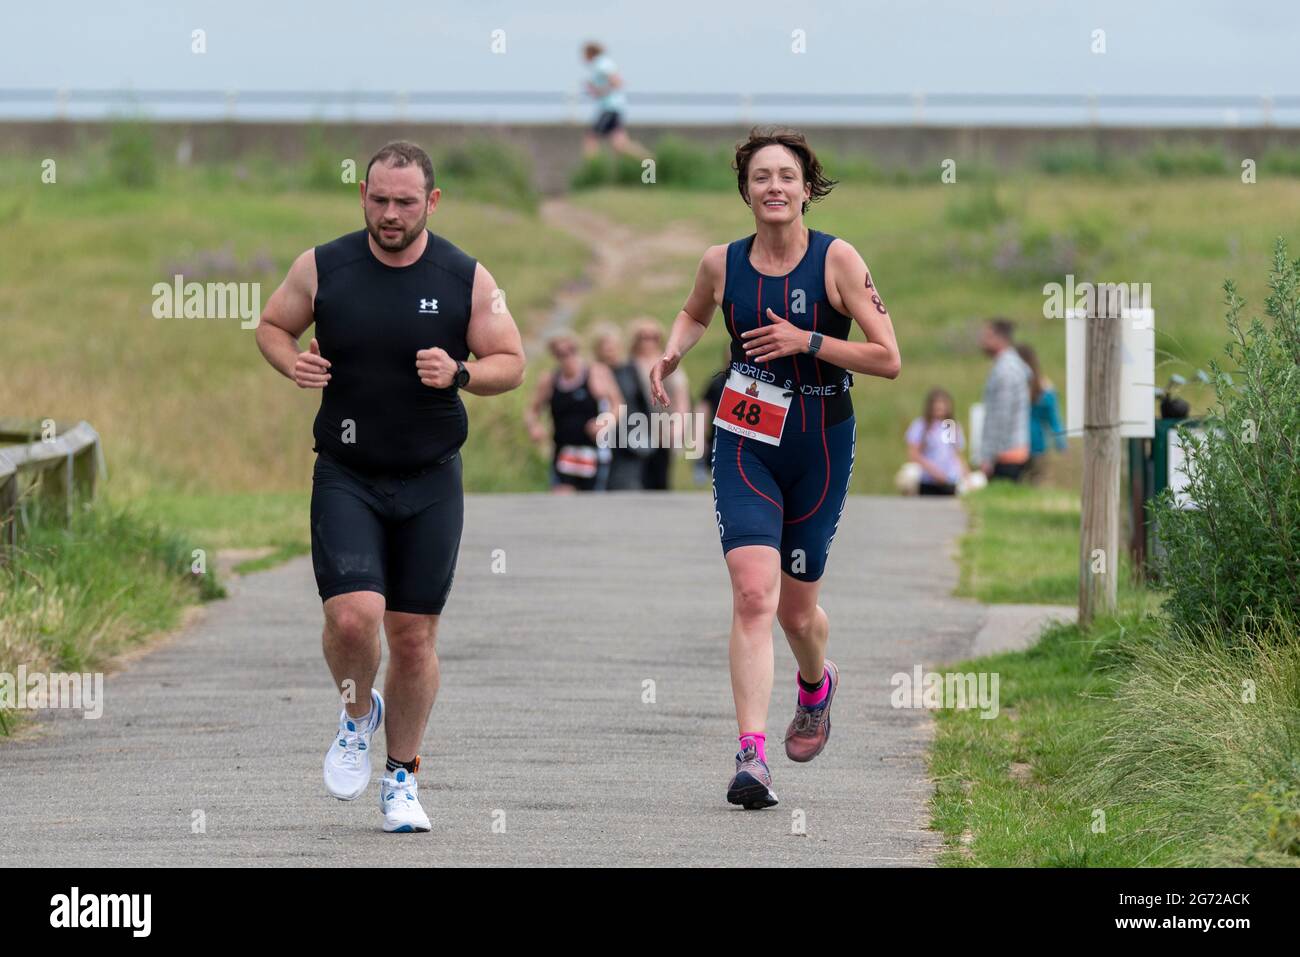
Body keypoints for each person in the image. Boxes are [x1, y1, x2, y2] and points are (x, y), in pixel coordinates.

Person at [255, 141, 527, 832]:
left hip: (432, 477)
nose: (390, 213)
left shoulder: (466, 275)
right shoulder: (324, 266)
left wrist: (461, 373)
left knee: (411, 637)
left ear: (431, 202)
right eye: (379, 199)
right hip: (347, 472)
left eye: (406, 201)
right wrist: (294, 364)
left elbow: (513, 360)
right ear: (363, 196)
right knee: (352, 617)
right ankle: (356, 714)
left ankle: (402, 776)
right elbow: (271, 325)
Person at [649, 127, 901, 809]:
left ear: (806, 188)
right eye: (761, 177)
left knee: (798, 610)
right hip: (746, 437)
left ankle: (816, 685)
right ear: (746, 191)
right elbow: (694, 312)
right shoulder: (720, 262)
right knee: (754, 593)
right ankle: (751, 756)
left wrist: (807, 340)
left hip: (820, 442)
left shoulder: (837, 260)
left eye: (786, 176)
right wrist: (673, 351)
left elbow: (888, 357)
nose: (774, 188)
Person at [525, 331, 621, 493]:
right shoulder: (549, 380)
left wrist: (604, 422)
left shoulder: (596, 373)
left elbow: (618, 405)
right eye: (561, 353)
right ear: (555, 355)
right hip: (564, 452)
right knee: (562, 500)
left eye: (571, 350)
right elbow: (532, 411)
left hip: (592, 451)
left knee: (591, 505)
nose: (567, 356)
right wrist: (534, 427)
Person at [630, 318, 688, 490]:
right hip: (635, 426)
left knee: (660, 477)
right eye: (643, 337)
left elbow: (681, 397)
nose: (648, 342)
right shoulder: (629, 364)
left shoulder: (667, 363)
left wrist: (678, 426)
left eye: (653, 337)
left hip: (663, 426)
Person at [593, 323, 650, 490]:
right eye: (605, 346)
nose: (609, 350)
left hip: (630, 439)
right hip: (601, 439)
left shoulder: (630, 370)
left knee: (625, 487)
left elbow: (643, 403)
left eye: (613, 346)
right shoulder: (593, 373)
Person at [977, 318, 1032, 482]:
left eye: (987, 336)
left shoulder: (1006, 370)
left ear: (1000, 338)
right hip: (1010, 450)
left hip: (1007, 454)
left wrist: (988, 456)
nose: (982, 341)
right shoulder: (1010, 366)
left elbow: (1001, 416)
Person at [581, 42, 651, 160]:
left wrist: (598, 90)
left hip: (609, 108)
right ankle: (650, 160)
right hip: (615, 107)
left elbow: (617, 82)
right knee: (620, 145)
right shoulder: (604, 62)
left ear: (590, 53)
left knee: (591, 139)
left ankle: (592, 170)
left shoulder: (600, 64)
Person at [1015, 344, 1066, 485]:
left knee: (1014, 488)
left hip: (1014, 446)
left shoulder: (1013, 386)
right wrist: (1061, 442)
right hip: (1038, 443)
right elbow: (1053, 418)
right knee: (1038, 484)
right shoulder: (1045, 388)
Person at [904, 388, 970, 496]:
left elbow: (956, 455)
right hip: (927, 480)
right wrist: (934, 471)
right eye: (937, 403)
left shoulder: (951, 426)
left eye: (943, 403)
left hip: (949, 479)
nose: (940, 406)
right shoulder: (921, 425)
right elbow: (914, 454)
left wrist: (967, 476)